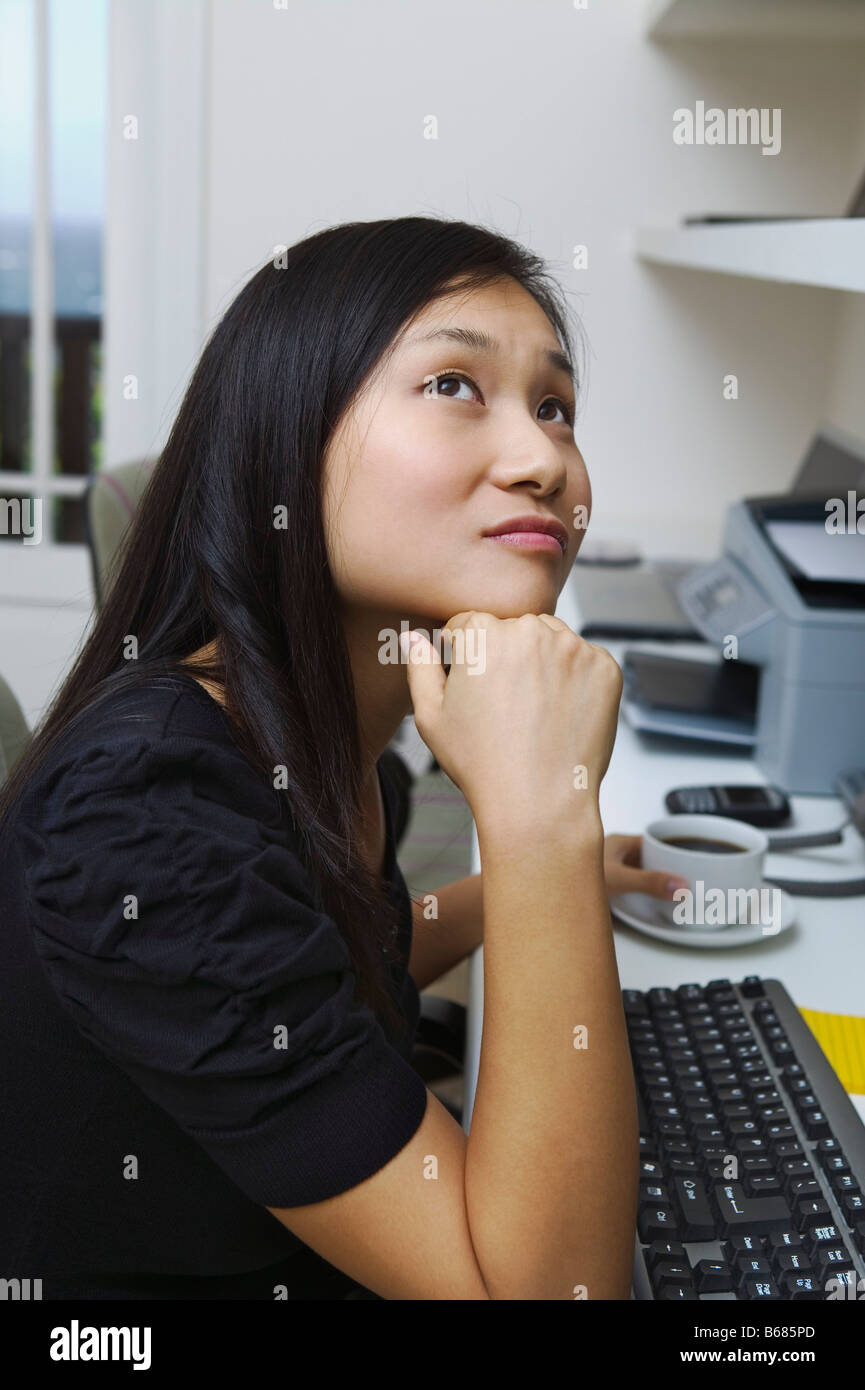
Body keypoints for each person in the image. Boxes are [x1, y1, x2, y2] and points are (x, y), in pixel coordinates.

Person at [0, 216, 683, 1300]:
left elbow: (304, 974)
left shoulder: (327, 750)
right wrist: (543, 829)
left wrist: (511, 898)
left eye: (555, 406)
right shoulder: (148, 810)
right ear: (286, 431)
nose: (542, 458)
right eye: (456, 385)